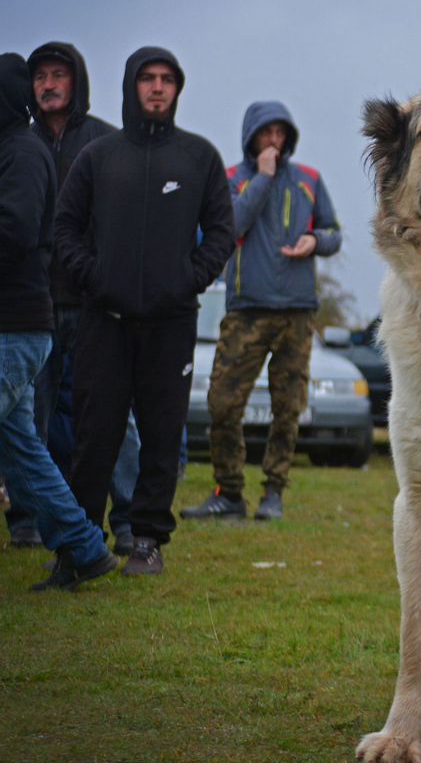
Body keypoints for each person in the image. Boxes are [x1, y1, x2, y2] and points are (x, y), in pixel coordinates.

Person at [54, 46, 234, 576]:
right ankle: (81, 546)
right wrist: (94, 276)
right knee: (95, 436)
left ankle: (147, 540)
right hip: (104, 322)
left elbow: (221, 232)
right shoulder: (99, 157)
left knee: (160, 438)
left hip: (170, 324)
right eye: (148, 78)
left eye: (167, 80)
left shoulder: (199, 157)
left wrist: (187, 279)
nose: (157, 87)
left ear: (178, 89)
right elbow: (65, 227)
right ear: (131, 85)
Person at [181, 102, 341, 522]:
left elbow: (333, 233)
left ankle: (274, 492)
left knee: (288, 408)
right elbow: (232, 224)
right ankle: (229, 493)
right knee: (222, 403)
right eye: (266, 132)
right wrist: (264, 177)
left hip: (297, 313)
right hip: (246, 311)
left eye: (280, 133)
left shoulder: (309, 179)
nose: (273, 140)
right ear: (251, 136)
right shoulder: (232, 178)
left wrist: (316, 242)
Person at [16, 41, 141, 556]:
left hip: (96, 303)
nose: (48, 85)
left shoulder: (108, 143)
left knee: (115, 417)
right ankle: (27, 519)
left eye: (57, 75)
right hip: (33, 306)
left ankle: (129, 521)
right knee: (29, 418)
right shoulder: (18, 144)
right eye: (40, 76)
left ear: (77, 81)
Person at [0, 51, 117, 590]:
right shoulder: (18, 147)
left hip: (15, 327)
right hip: (20, 324)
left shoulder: (21, 153)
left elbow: (18, 230)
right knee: (24, 451)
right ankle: (85, 548)